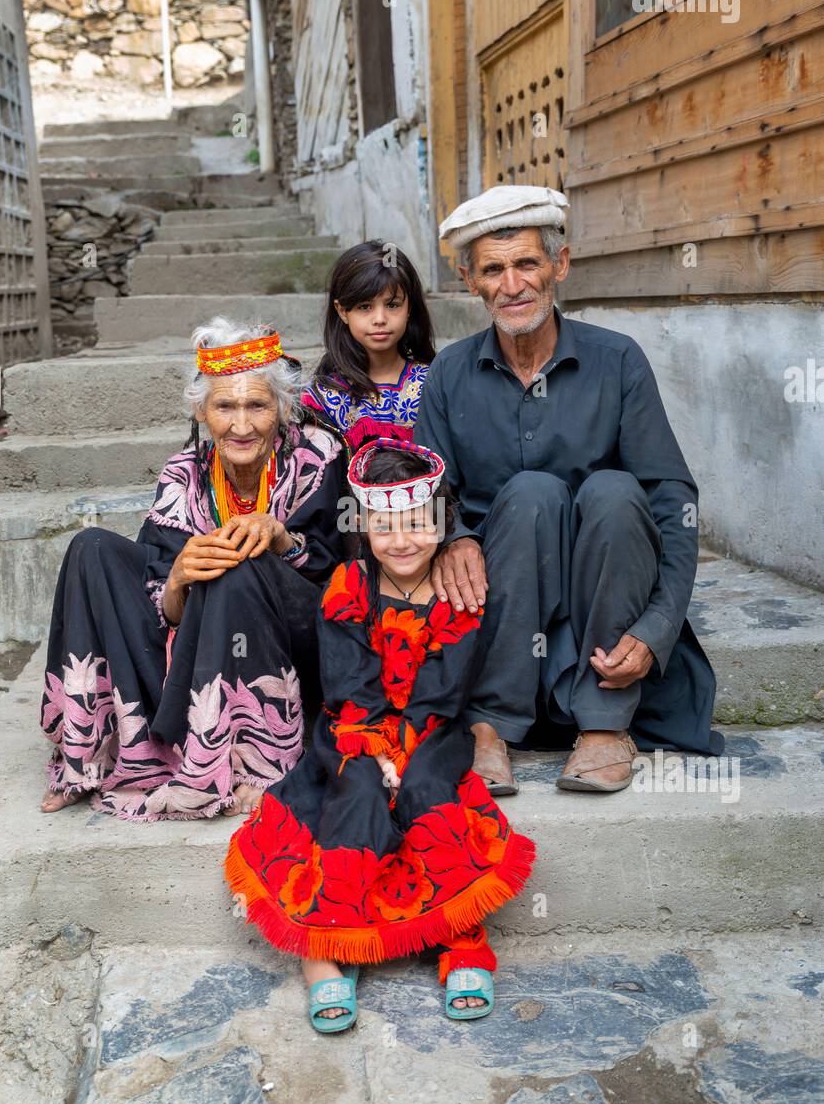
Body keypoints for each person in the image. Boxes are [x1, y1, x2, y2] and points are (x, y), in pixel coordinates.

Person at [413, 184, 724, 796]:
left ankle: (605, 724)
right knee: (531, 494)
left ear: (560, 264)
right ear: (469, 280)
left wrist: (659, 626)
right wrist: (455, 537)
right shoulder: (450, 372)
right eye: (493, 269)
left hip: (604, 601)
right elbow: (431, 488)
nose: (512, 285)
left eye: (527, 263)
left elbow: (673, 501)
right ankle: (489, 725)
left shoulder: (617, 360)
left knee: (612, 490)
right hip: (503, 603)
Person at [224, 439, 537, 1031]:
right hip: (353, 726)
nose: (403, 541)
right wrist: (373, 748)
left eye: (418, 525)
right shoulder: (347, 585)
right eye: (386, 527)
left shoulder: (456, 596)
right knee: (358, 793)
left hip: (432, 728)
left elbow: (444, 689)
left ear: (442, 524)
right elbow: (348, 685)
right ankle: (326, 948)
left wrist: (407, 751)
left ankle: (457, 939)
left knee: (428, 794)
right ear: (363, 526)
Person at [40, 317, 347, 821]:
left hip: (300, 645)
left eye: (258, 405)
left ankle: (255, 762)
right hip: (194, 652)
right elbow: (166, 612)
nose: (242, 425)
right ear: (201, 410)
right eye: (225, 406)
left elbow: (341, 576)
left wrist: (281, 538)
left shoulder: (317, 457)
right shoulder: (182, 474)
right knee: (90, 547)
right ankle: (88, 758)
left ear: (283, 409)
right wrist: (181, 575)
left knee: (239, 563)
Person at [301, 239, 435, 452]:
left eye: (392, 305)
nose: (380, 319)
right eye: (365, 307)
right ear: (342, 311)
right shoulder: (325, 396)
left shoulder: (434, 382)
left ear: (410, 307)